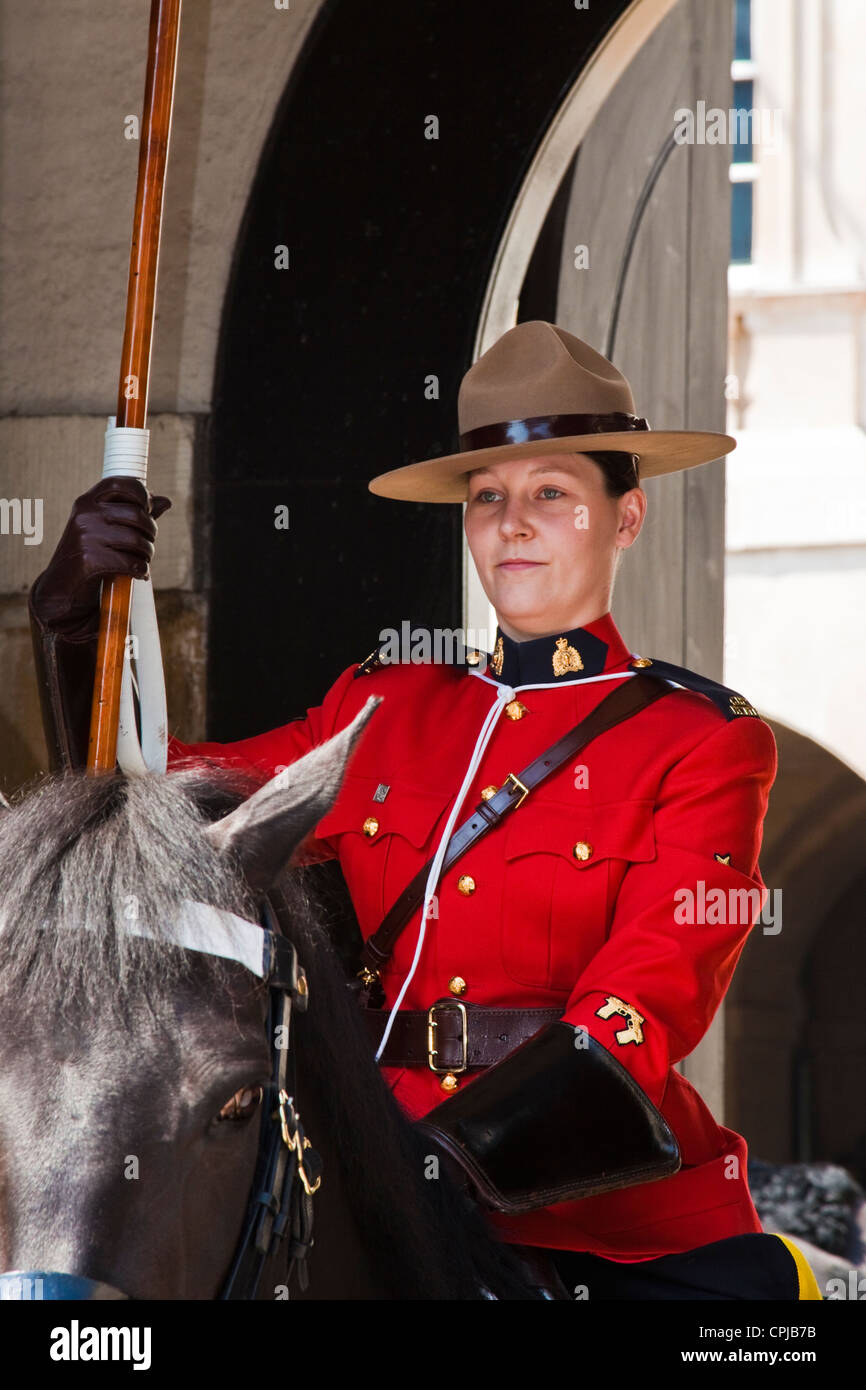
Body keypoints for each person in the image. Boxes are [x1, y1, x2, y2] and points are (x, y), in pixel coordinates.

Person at [28, 320, 821, 1300]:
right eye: (486, 499)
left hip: (587, 1217)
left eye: (551, 495)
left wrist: (433, 1173)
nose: (512, 523)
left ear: (625, 518)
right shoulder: (385, 705)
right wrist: (72, 626)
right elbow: (162, 810)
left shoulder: (700, 740)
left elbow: (636, 1014)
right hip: (357, 1184)